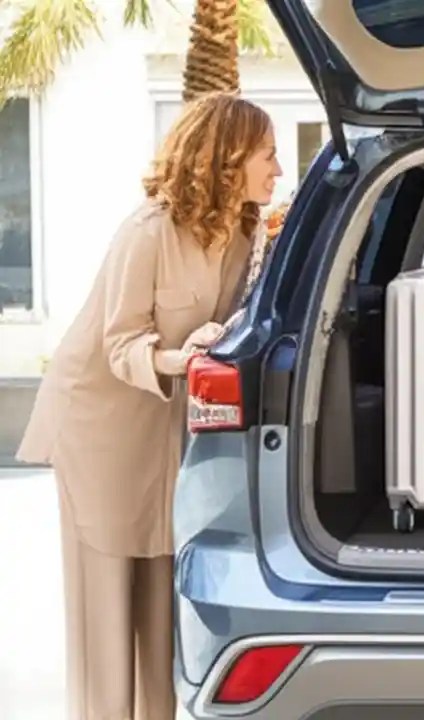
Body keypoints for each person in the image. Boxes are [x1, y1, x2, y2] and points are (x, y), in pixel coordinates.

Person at [14, 92, 280, 719]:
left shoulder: (244, 232)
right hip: (101, 426)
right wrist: (179, 358)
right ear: (230, 157)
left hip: (166, 427)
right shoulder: (148, 230)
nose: (276, 169)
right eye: (268, 156)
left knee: (161, 591)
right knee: (105, 608)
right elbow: (120, 343)